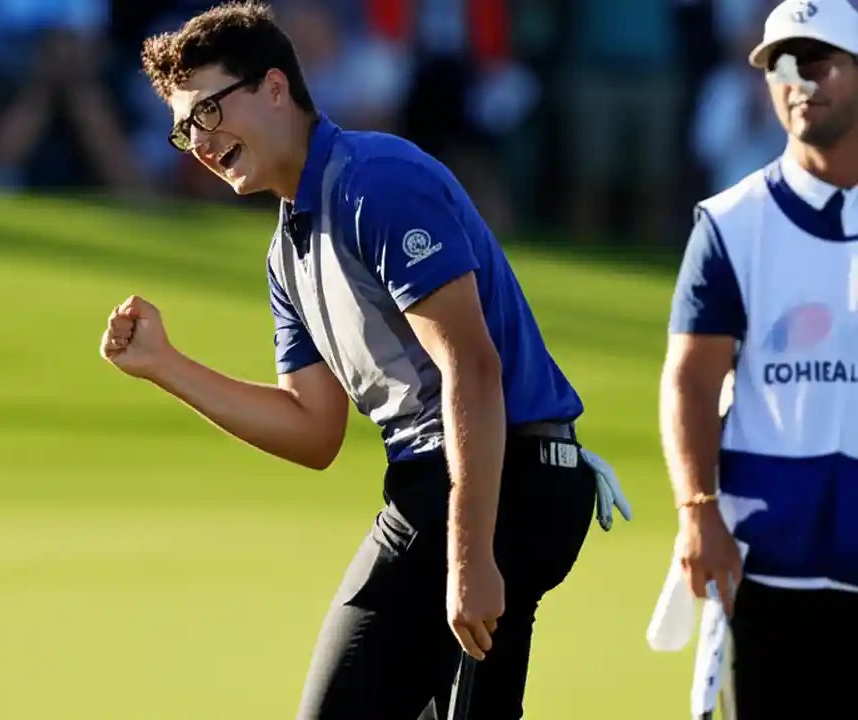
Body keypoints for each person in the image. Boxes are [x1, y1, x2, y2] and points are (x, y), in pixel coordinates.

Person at [97, 3, 629, 718]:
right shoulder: (288, 251)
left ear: (276, 87)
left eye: (210, 112)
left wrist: (470, 557)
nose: (199, 141)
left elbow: (472, 367)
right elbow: (314, 430)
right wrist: (167, 365)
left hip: (505, 482)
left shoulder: (375, 180)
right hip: (437, 489)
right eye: (184, 128)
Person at [659, 0, 858, 717]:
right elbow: (690, 380)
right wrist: (697, 511)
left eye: (819, 62)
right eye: (780, 65)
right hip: (769, 562)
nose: (797, 80)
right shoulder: (731, 223)